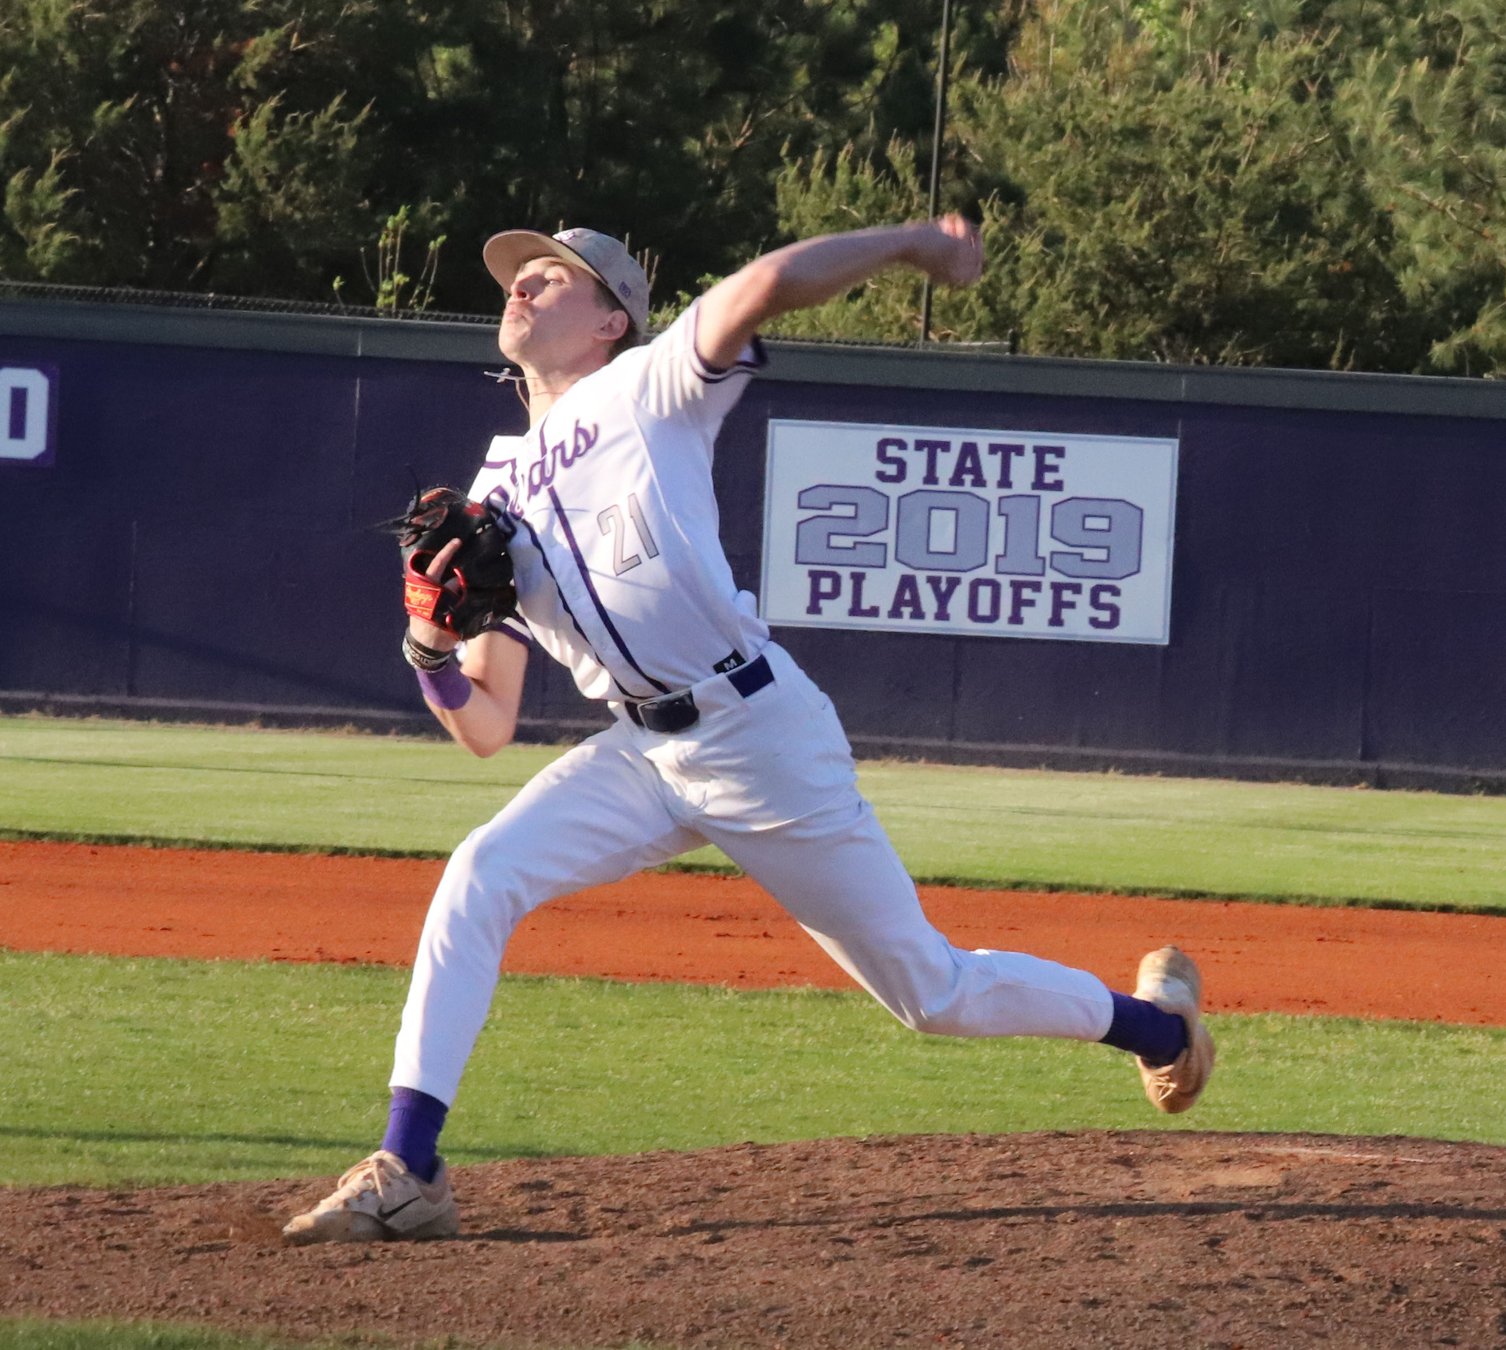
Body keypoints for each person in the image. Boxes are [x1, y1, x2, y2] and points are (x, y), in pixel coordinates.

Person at [282, 216, 1214, 1244]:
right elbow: (489, 722)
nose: (525, 287)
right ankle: (408, 1168)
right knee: (480, 872)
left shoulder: (650, 391)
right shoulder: (493, 495)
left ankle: (1155, 1026)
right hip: (640, 753)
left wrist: (915, 242)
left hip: (757, 735)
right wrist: (427, 652)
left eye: (553, 278)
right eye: (518, 277)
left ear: (611, 320)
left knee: (928, 990)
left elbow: (766, 282)